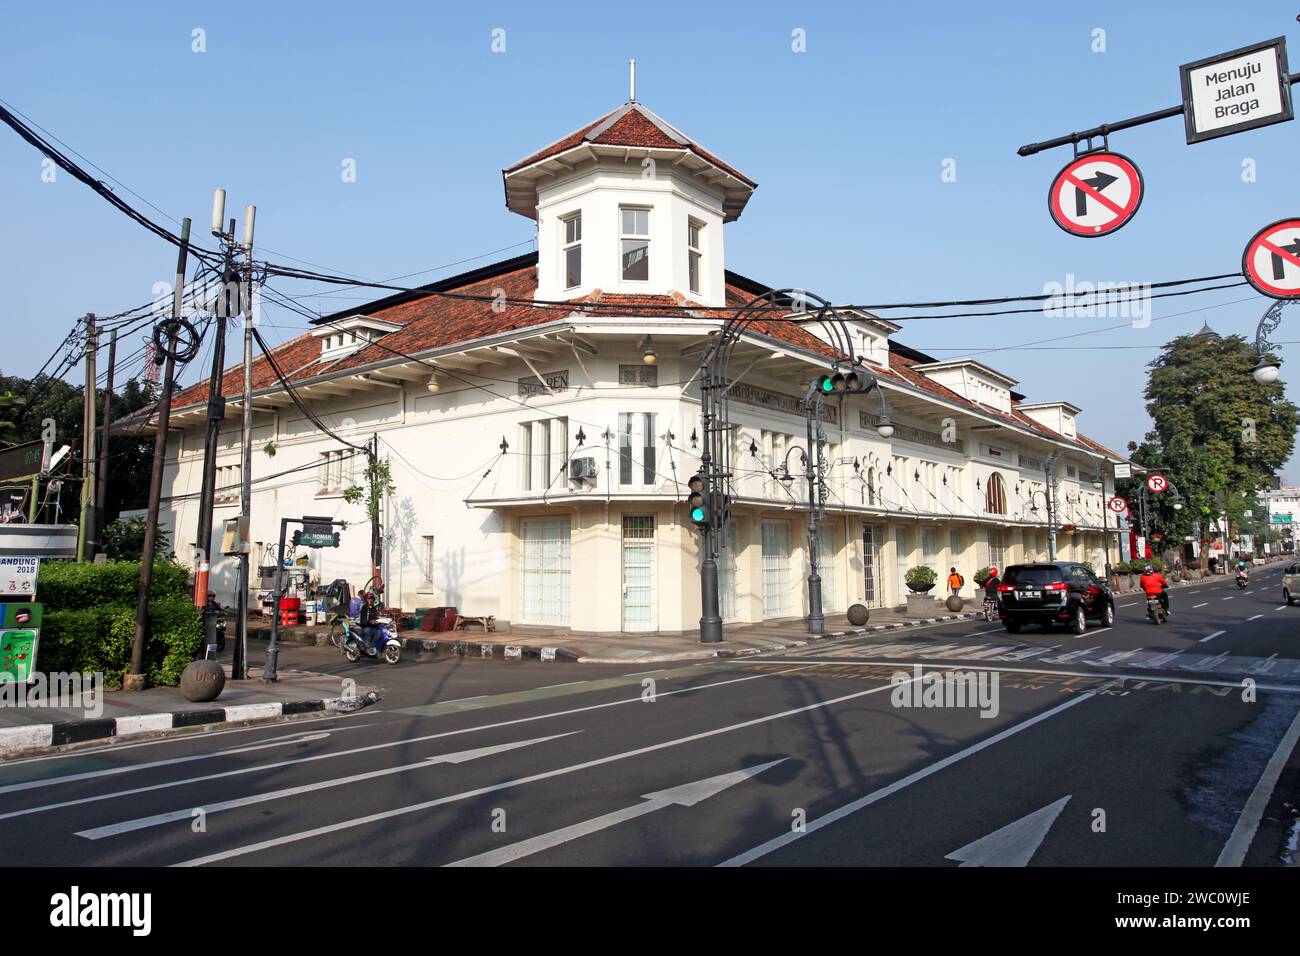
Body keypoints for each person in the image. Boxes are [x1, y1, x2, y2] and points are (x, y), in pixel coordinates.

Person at [357, 590, 382, 656]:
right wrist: (370, 621)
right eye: (369, 598)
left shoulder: (373, 608)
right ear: (366, 599)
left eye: (371, 598)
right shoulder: (364, 608)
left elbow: (375, 617)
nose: (370, 600)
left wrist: (380, 620)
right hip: (366, 627)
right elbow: (363, 620)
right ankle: (371, 647)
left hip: (372, 626)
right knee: (378, 633)